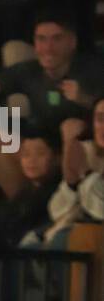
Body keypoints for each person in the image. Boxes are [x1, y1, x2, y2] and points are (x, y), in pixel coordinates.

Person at [0, 10, 104, 199]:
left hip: (84, 150)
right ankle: (23, 207)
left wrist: (84, 98)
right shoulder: (29, 71)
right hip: (40, 149)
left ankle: (74, 201)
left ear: (72, 42)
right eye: (41, 40)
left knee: (69, 130)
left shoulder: (93, 70)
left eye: (56, 39)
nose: (48, 48)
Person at [49, 94, 104, 227]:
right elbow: (56, 211)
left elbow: (100, 212)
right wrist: (71, 185)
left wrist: (86, 174)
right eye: (100, 119)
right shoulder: (86, 151)